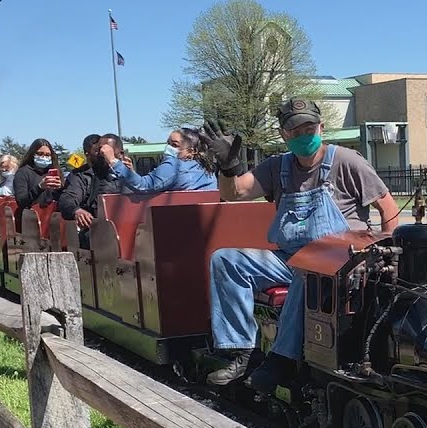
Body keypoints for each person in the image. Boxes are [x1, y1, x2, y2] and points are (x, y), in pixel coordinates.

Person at [200, 97, 400, 392]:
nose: (304, 135)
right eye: (296, 131)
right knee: (225, 260)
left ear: (322, 127)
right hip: (291, 258)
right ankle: (244, 352)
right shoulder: (277, 167)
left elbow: (389, 210)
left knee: (309, 274)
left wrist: (384, 257)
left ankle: (281, 358)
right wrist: (229, 167)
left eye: (309, 128)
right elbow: (234, 194)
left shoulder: (347, 162)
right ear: (284, 135)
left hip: (340, 263)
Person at [57, 133, 127, 246]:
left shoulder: (131, 176)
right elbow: (68, 198)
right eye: (99, 150)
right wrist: (76, 211)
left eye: (106, 151)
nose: (102, 154)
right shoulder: (83, 176)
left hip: (131, 231)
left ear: (120, 154)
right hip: (98, 234)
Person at [103, 128, 217, 193]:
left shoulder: (175, 166)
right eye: (168, 143)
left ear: (191, 151)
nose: (169, 148)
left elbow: (143, 186)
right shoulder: (207, 169)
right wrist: (132, 173)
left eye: (174, 145)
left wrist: (113, 161)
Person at [13, 138, 64, 215]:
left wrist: (60, 189)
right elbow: (21, 201)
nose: (44, 157)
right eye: (40, 154)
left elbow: (62, 200)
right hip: (29, 218)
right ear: (33, 154)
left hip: (51, 218)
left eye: (47, 155)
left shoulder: (55, 172)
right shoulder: (23, 172)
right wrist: (39, 187)